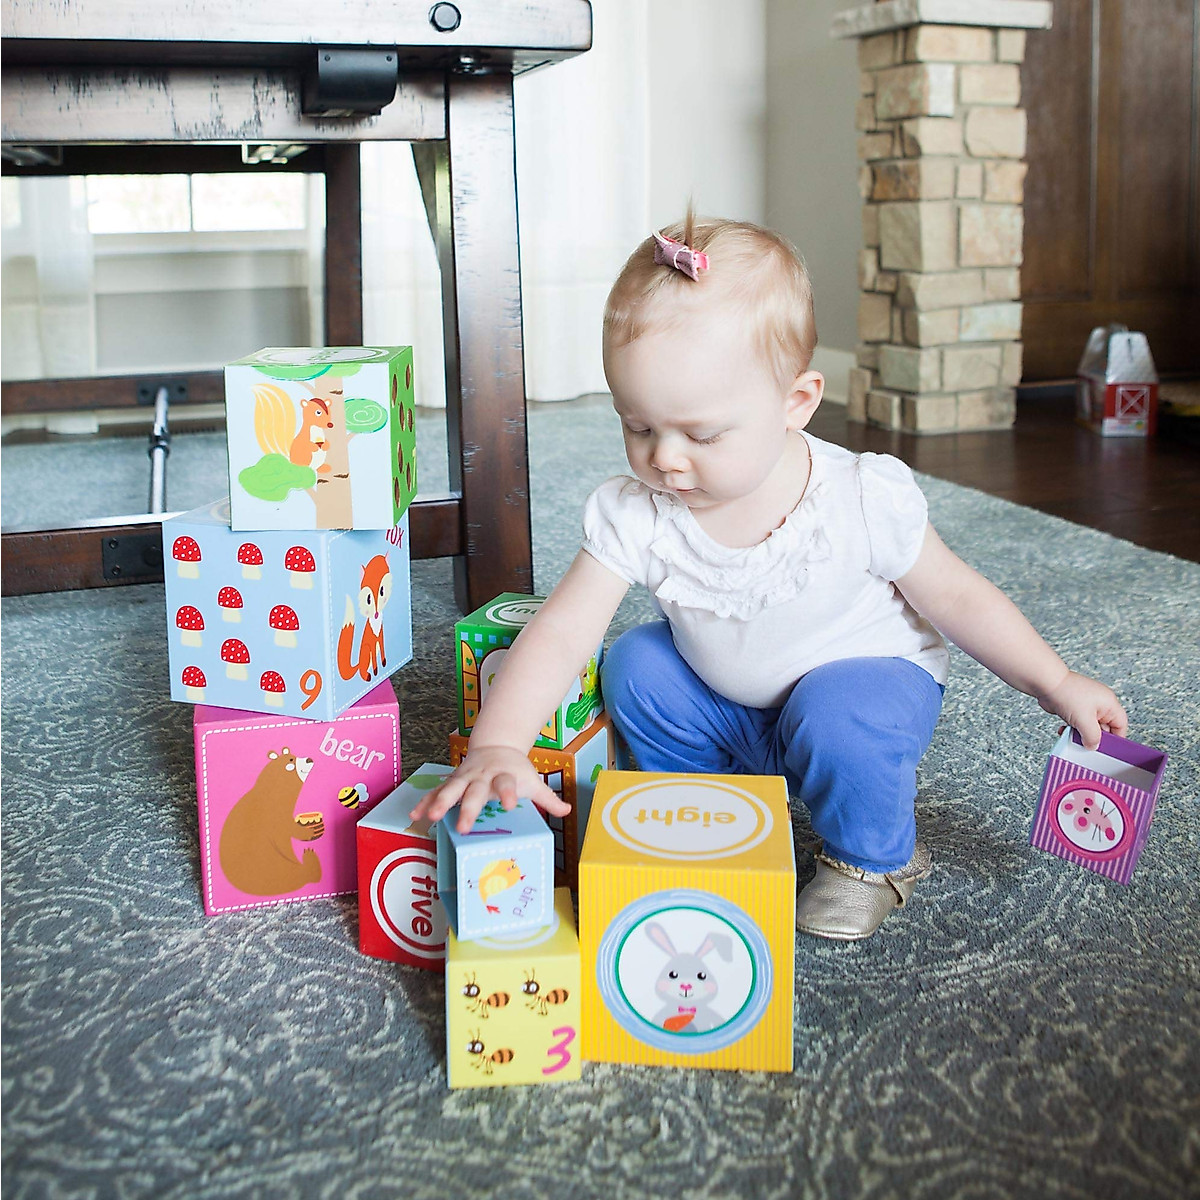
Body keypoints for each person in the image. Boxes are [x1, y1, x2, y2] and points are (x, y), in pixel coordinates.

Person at [412, 212, 1128, 941]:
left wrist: (1055, 681)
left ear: (797, 403)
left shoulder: (858, 498)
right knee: (637, 664)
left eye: (702, 433)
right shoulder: (639, 510)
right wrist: (499, 742)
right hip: (728, 705)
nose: (665, 458)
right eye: (638, 426)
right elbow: (564, 631)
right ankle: (716, 805)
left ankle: (873, 861)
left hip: (860, 689)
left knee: (837, 716)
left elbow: (959, 596)